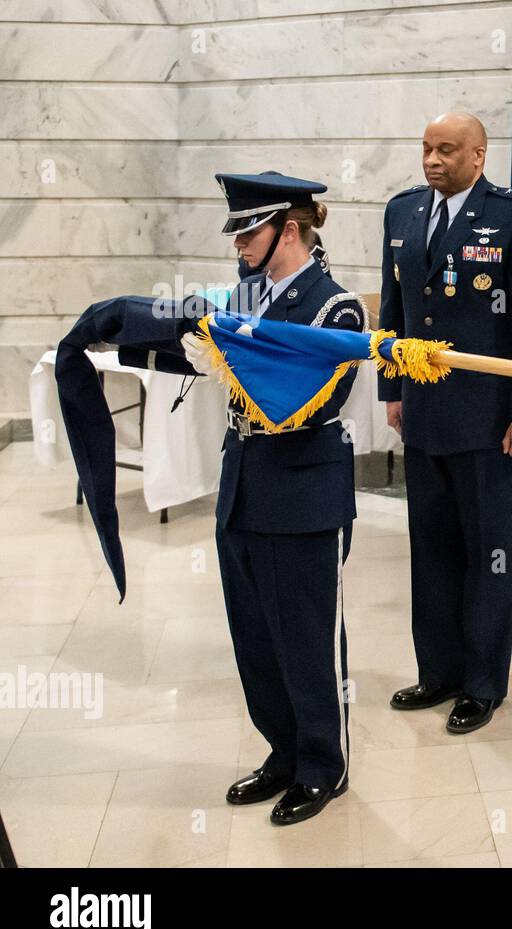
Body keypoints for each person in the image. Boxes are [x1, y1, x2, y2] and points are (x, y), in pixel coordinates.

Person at [183, 172, 368, 826]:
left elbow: (303, 401)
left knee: (307, 638)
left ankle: (323, 763)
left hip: (303, 490)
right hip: (245, 485)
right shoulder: (243, 296)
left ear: (288, 229)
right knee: (256, 636)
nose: (236, 242)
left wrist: (230, 353)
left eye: (247, 230)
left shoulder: (335, 308)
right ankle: (282, 750)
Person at [378, 112, 512, 734]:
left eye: (447, 150)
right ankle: (438, 671)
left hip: (489, 421)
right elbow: (394, 308)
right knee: (431, 549)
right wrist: (391, 389)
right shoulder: (402, 213)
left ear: (479, 156)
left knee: (488, 555)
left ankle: (482, 682)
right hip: (424, 413)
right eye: (426, 148)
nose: (432, 160)